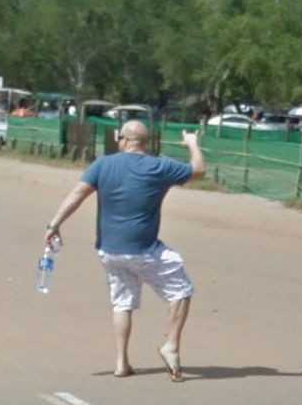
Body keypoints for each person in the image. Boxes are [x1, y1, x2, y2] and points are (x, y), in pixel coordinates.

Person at [45, 121, 205, 380]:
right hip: (143, 249)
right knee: (181, 290)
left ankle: (121, 363)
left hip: (109, 250)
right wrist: (193, 144)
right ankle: (171, 345)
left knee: (122, 302)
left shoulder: (103, 164)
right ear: (145, 142)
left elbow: (78, 193)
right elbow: (198, 170)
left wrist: (54, 225)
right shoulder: (158, 166)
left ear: (124, 140)